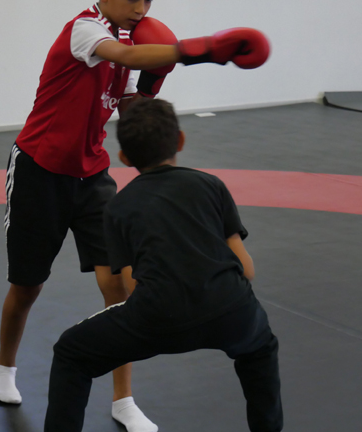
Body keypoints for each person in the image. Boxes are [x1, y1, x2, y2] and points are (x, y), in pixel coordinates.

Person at [0, 0, 269, 432]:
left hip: (93, 173)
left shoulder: (131, 42)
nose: (141, 9)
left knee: (120, 288)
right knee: (28, 283)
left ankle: (123, 399)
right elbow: (120, 52)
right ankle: (4, 367)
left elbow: (127, 107)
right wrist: (195, 50)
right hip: (39, 168)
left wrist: (149, 88)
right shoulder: (85, 31)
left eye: (150, 0)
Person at [44, 98, 283, 432]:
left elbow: (132, 287)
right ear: (180, 141)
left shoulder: (118, 207)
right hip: (230, 308)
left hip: (159, 315)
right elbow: (246, 268)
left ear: (125, 158)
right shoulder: (210, 185)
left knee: (71, 352)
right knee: (260, 347)